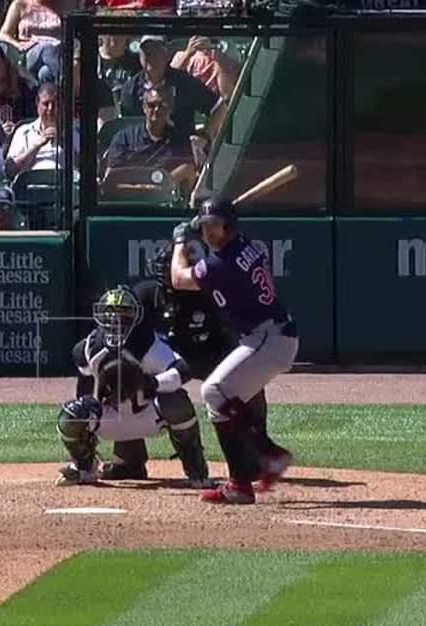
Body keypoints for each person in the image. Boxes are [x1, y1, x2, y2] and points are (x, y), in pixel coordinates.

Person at [168, 196, 297, 505]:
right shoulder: (247, 246)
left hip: (270, 336)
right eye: (206, 226)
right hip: (270, 336)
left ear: (230, 226)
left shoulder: (221, 263)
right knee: (222, 396)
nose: (209, 232)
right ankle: (260, 461)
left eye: (215, 226)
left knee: (213, 390)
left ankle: (257, 466)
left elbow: (177, 279)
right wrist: (201, 225)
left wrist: (179, 242)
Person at [55, 286, 212, 488]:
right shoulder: (89, 347)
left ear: (135, 316)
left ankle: (196, 469)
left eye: (123, 313)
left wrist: (151, 384)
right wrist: (93, 406)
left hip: (148, 416)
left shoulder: (147, 343)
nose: (115, 321)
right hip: (111, 417)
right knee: (71, 414)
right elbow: (84, 391)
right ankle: (85, 467)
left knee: (176, 402)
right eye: (110, 314)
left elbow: (182, 370)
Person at [6, 82, 75, 175]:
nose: (50, 109)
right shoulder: (23, 132)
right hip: (32, 186)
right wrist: (37, 146)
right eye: (46, 104)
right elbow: (10, 169)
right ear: (37, 103)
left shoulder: (75, 131)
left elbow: (87, 166)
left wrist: (64, 143)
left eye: (55, 104)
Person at [0, 0, 62, 84]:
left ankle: (47, 94)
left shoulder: (61, 6)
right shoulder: (20, 4)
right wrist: (18, 45)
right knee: (47, 48)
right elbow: (3, 34)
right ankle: (67, 85)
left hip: (57, 52)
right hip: (30, 51)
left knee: (45, 73)